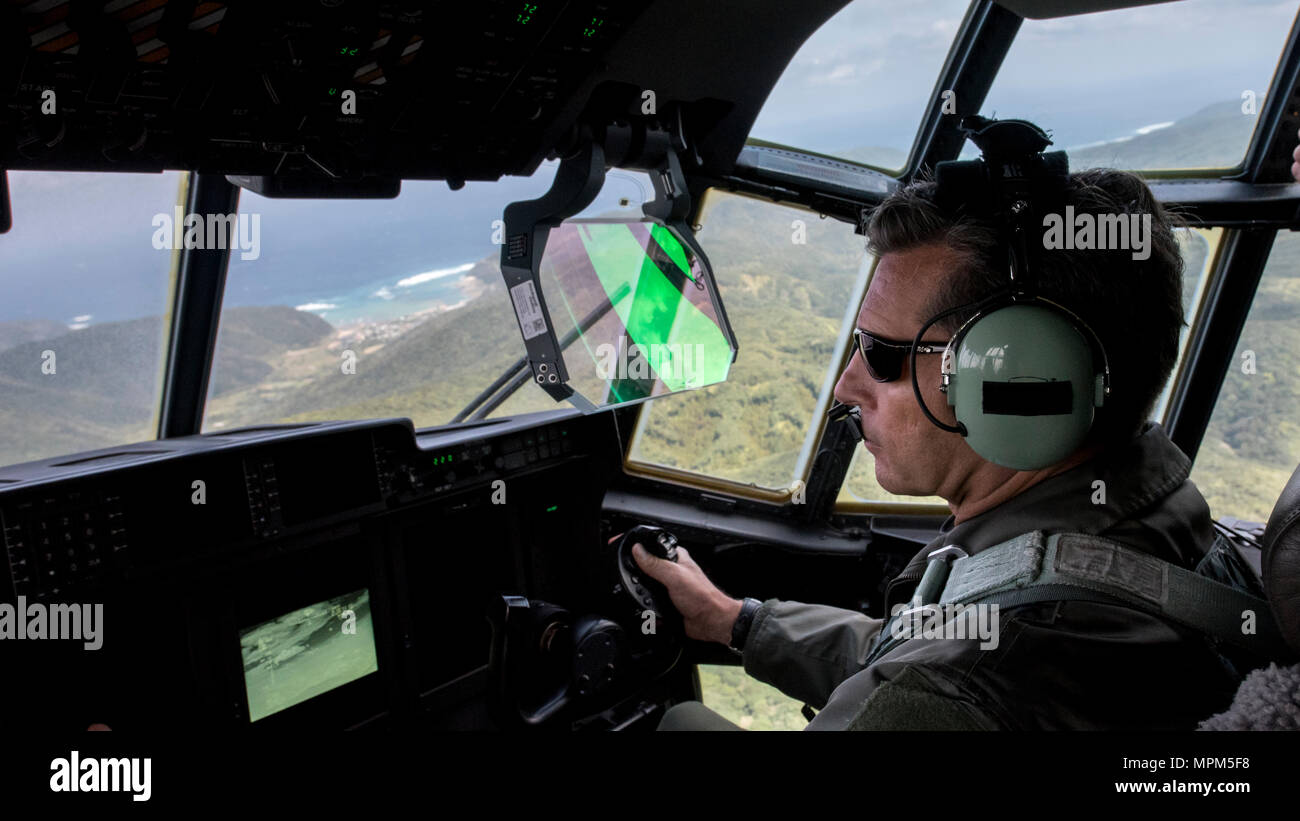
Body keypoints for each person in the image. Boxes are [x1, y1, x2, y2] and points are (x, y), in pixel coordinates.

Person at [630, 151, 1252, 730]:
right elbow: (919, 641)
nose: (847, 387)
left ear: (1018, 376)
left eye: (878, 353)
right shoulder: (1175, 539)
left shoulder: (952, 692)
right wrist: (736, 621)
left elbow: (938, 672)